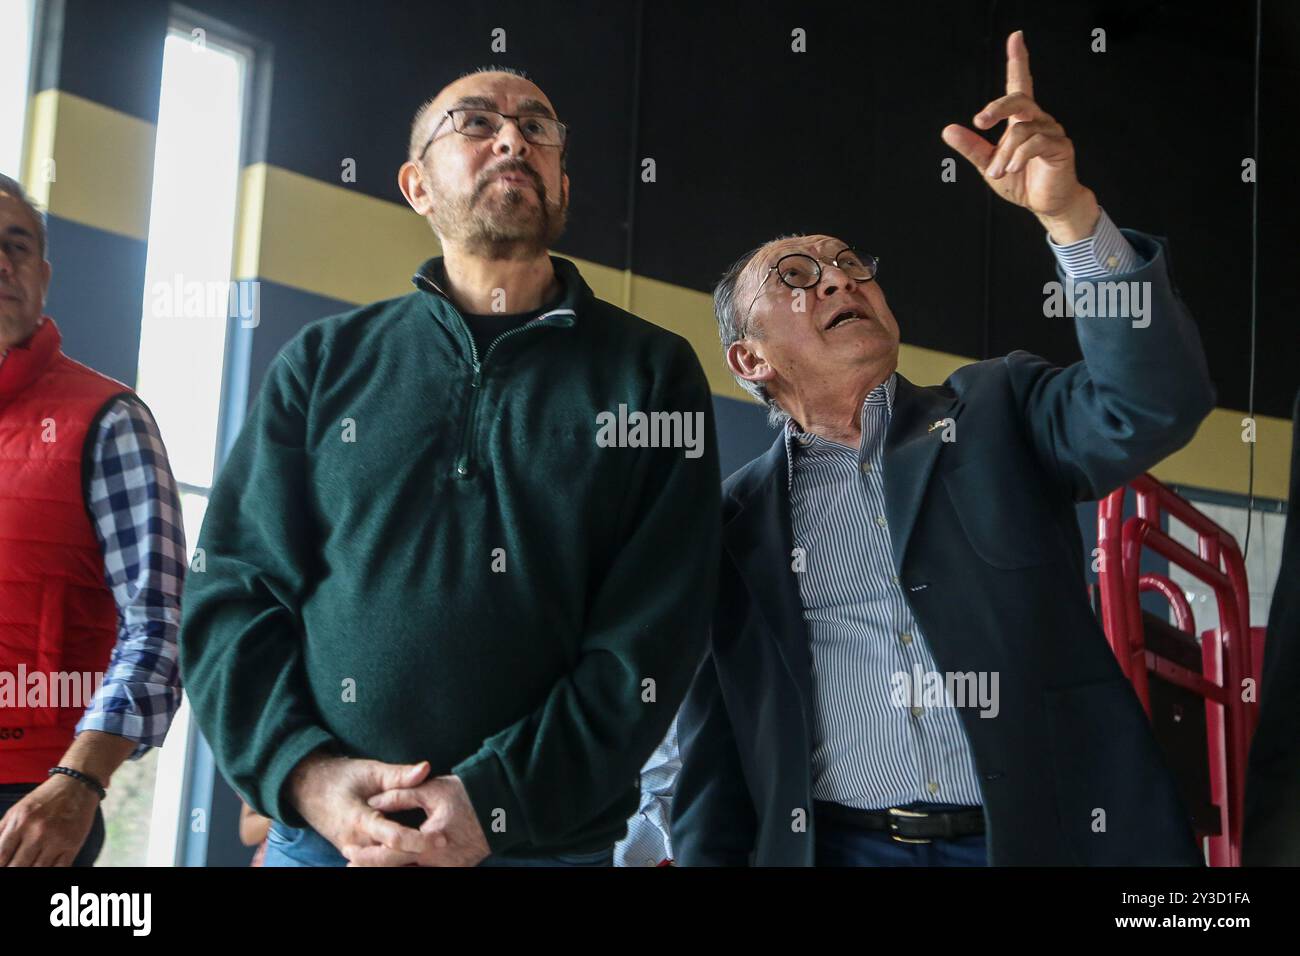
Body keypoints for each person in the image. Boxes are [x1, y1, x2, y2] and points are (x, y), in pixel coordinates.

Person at [671, 31, 1214, 866]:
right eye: (797, 277)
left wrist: (1070, 218)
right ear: (748, 360)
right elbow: (715, 747)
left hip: (1047, 841)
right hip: (847, 850)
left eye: (851, 265)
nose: (841, 279)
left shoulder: (997, 406)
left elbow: (1152, 404)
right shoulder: (731, 523)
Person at [178, 68, 720, 867]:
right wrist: (305, 774)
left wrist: (496, 801)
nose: (513, 139)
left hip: (542, 846)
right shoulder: (323, 364)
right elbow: (232, 589)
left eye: (539, 129)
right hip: (326, 840)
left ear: (562, 182)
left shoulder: (652, 374)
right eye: (476, 123)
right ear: (416, 185)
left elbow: (654, 638)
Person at [0, 174, 185, 866]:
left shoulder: (108, 421)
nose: (0, 262)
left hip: (30, 806)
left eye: (16, 246)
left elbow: (160, 626)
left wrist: (78, 780)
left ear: (43, 276)